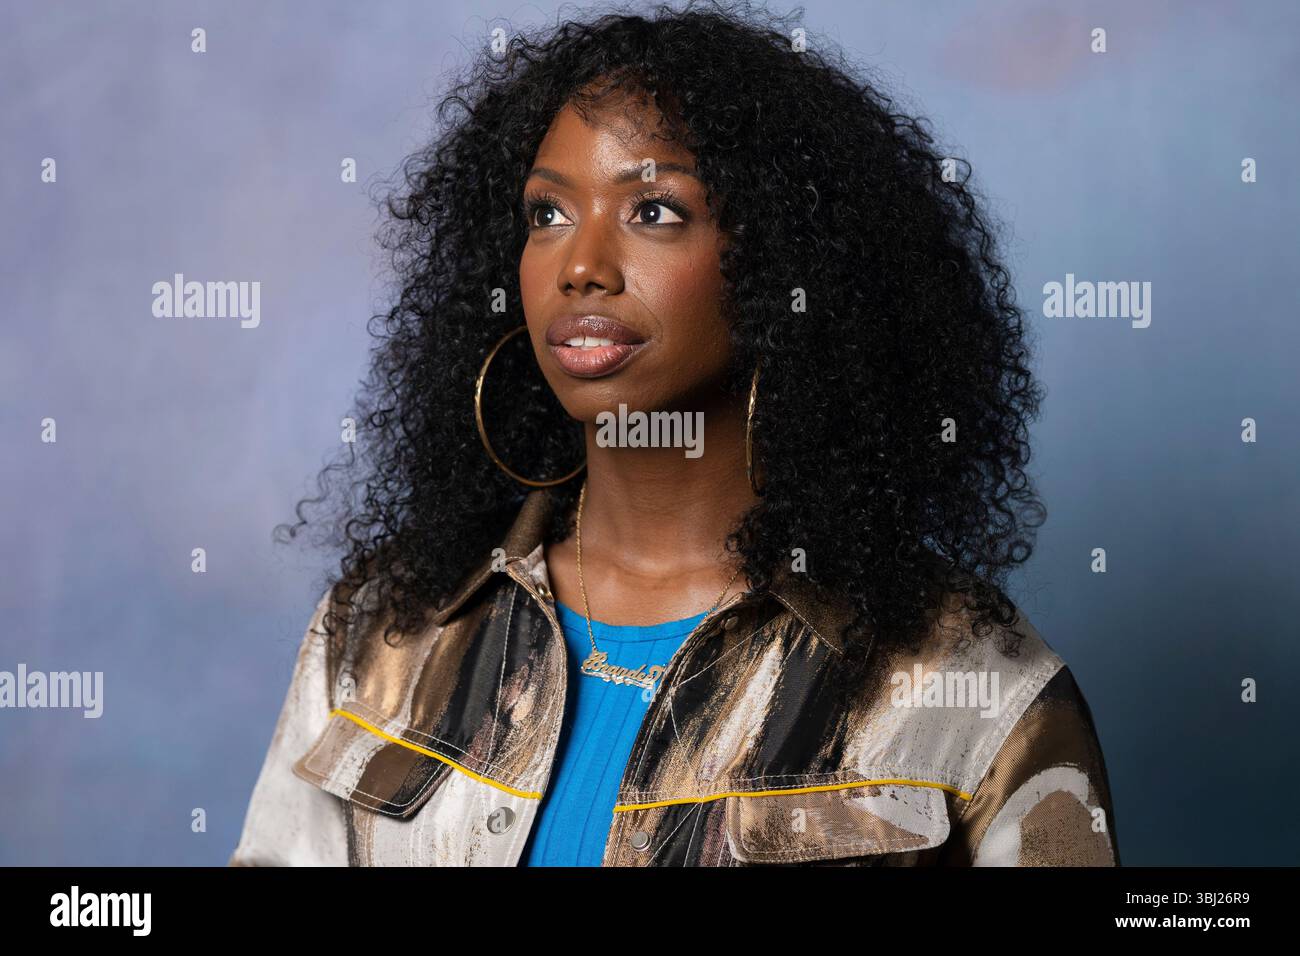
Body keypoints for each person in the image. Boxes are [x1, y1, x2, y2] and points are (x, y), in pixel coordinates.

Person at [230, 0, 1119, 867]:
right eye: (548, 213)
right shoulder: (382, 634)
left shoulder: (972, 690)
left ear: (783, 266)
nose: (580, 265)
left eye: (653, 210)